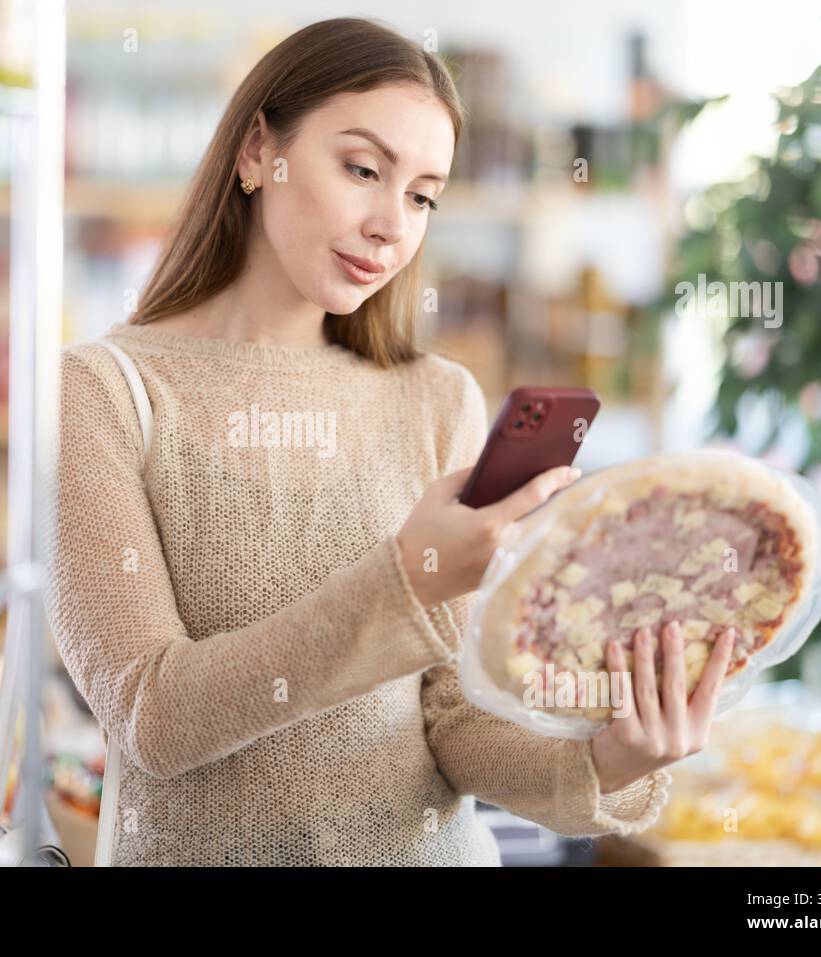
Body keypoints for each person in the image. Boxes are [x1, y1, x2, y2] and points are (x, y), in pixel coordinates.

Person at [47, 16, 734, 866]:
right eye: (363, 169)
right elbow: (151, 714)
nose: (390, 226)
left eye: (421, 196)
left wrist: (613, 757)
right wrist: (408, 578)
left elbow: (454, 717)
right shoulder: (105, 391)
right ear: (258, 151)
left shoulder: (436, 398)